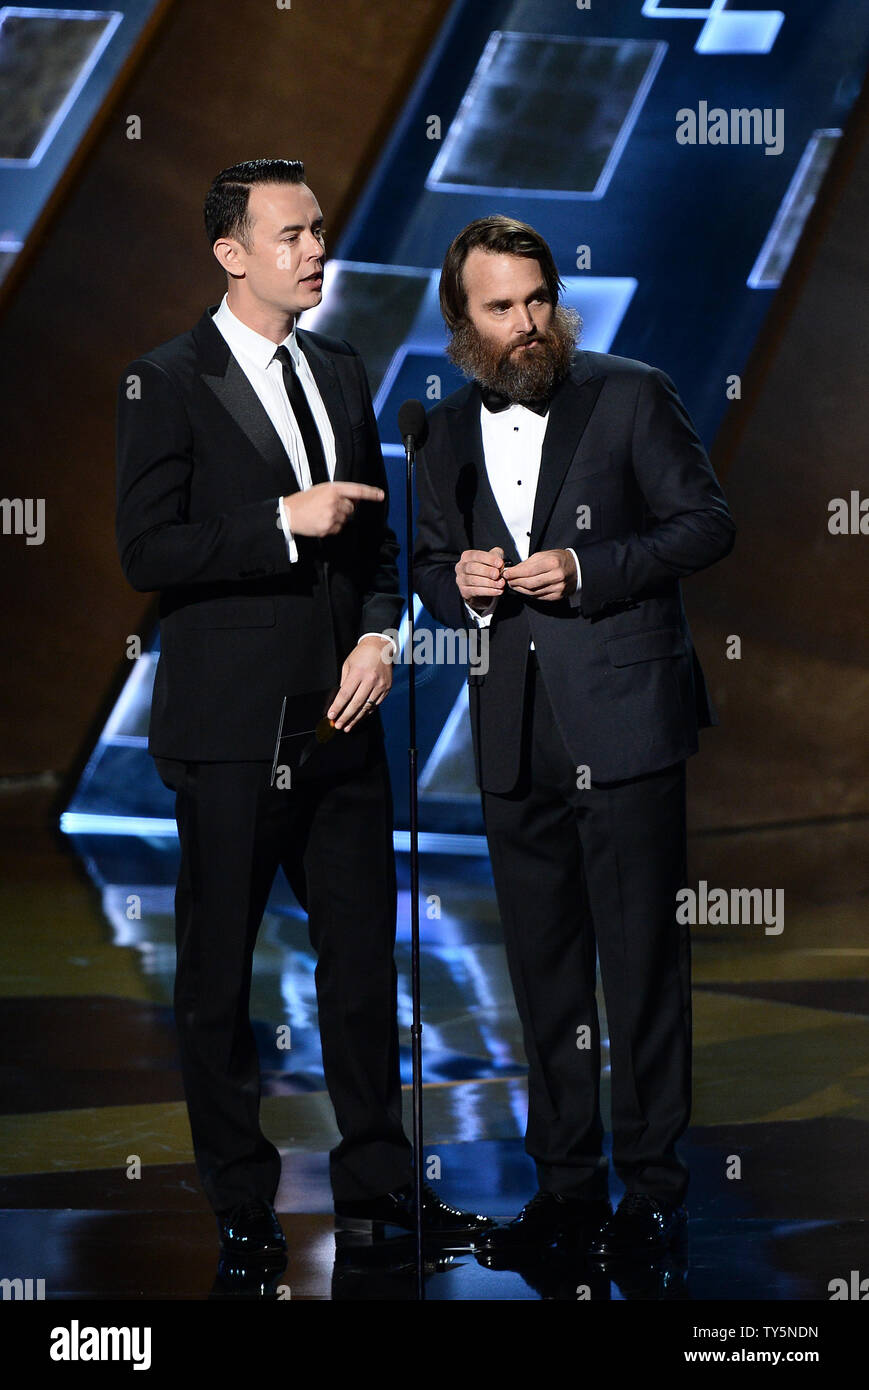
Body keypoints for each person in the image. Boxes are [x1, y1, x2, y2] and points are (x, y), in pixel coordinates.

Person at [115, 159, 491, 1258]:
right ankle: (242, 1202)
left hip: (342, 719)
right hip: (231, 735)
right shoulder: (165, 379)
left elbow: (373, 539)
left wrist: (382, 634)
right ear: (231, 254)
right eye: (290, 235)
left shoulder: (337, 365)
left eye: (319, 230)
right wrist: (282, 517)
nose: (315, 250)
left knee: (366, 968)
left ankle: (380, 1192)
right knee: (219, 978)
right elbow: (147, 548)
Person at [413, 216, 735, 1258]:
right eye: (500, 308)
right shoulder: (443, 430)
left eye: (538, 298)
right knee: (543, 973)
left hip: (626, 722)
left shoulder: (630, 391)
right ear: (460, 322)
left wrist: (590, 571)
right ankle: (563, 1188)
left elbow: (703, 523)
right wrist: (452, 579)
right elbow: (424, 559)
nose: (527, 324)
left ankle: (650, 1187)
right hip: (511, 734)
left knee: (639, 965)